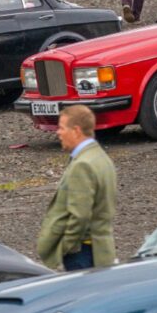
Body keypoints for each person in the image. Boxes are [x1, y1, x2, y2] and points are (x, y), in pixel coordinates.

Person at [37, 105, 117, 271]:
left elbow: (80, 215)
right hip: (100, 251)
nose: (58, 133)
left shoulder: (83, 165)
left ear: (76, 131)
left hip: (82, 254)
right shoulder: (101, 158)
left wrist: (65, 247)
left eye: (62, 128)